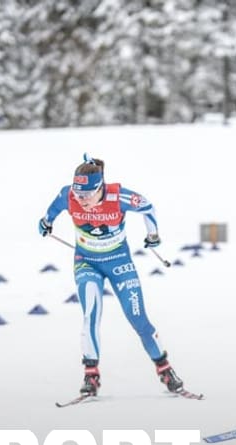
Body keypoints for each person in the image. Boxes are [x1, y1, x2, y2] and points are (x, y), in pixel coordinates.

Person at [38, 154, 187, 397]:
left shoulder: (119, 197)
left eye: (87, 195)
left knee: (137, 317)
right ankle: (91, 375)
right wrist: (46, 223)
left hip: (120, 264)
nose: (81, 200)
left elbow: (148, 207)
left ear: (100, 188)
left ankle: (165, 368)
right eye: (78, 194)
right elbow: (52, 210)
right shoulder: (68, 195)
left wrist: (153, 235)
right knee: (91, 314)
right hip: (87, 263)